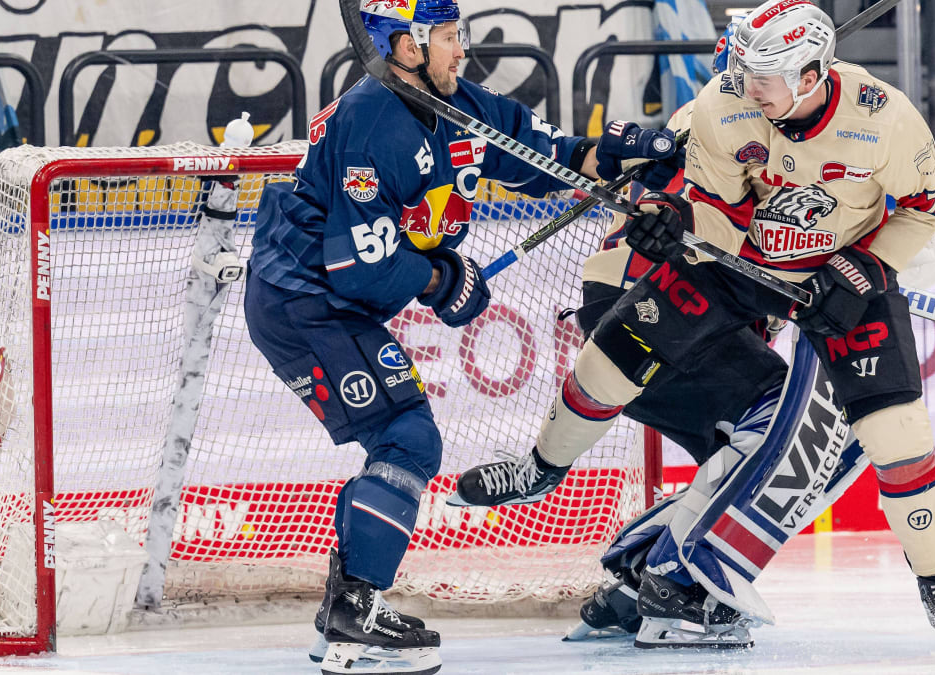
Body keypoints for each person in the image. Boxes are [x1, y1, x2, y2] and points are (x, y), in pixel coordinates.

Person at [454, 0, 935, 663]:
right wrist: (676, 224)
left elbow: (932, 207)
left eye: (763, 72)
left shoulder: (881, 117)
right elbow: (718, 214)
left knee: (896, 432)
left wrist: (865, 264)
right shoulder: (723, 105)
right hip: (744, 268)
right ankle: (544, 472)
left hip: (844, 276)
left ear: (811, 73)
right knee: (620, 345)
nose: (745, 81)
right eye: (741, 66)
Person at [242, 1, 678, 673]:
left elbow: (551, 158)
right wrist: (444, 278)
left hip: (329, 296)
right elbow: (360, 262)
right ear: (406, 46)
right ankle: (354, 608)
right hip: (302, 298)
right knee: (407, 435)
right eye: (446, 37)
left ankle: (348, 604)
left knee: (405, 435)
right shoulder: (371, 122)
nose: (460, 49)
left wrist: (615, 153)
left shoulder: (460, 105)